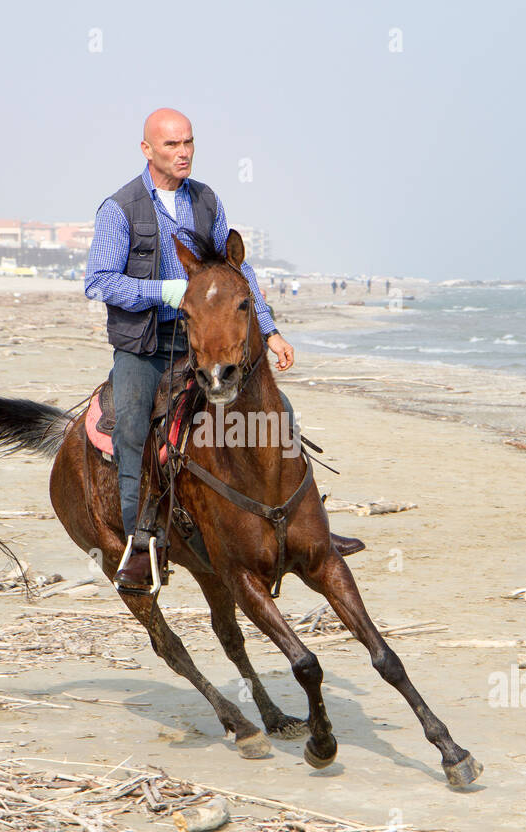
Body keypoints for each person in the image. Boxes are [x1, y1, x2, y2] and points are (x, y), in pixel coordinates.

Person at [85, 108, 363, 593]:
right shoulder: (119, 208)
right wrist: (166, 293)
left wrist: (271, 330)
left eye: (189, 142)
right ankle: (140, 545)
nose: (184, 152)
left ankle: (313, 529)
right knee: (132, 428)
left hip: (206, 342)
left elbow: (239, 274)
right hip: (147, 349)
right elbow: (99, 281)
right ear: (147, 150)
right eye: (171, 145)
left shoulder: (207, 200)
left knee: (277, 413)